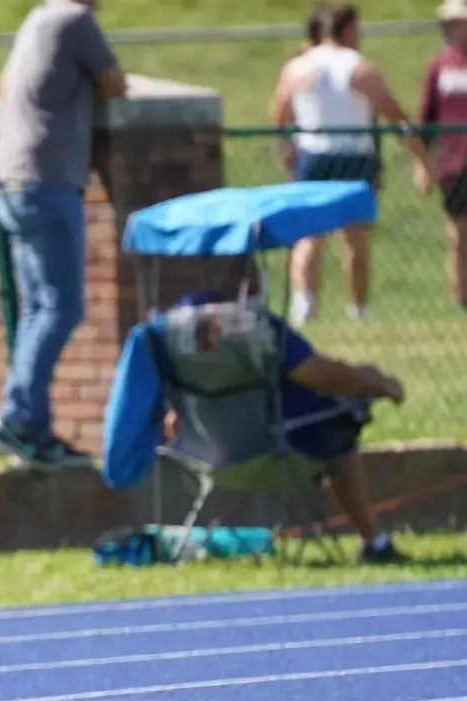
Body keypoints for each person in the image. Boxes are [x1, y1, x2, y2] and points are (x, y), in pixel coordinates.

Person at [166, 277, 409, 564]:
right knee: (344, 435)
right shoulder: (256, 327)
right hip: (275, 453)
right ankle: (373, 541)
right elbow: (320, 374)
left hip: (205, 455)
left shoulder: (174, 332)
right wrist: (377, 381)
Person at [0, 0, 127, 469]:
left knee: (39, 310)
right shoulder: (76, 20)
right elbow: (116, 84)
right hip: (47, 182)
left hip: (10, 180)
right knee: (63, 308)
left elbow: (6, 85)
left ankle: (34, 431)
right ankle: (19, 416)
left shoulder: (39, 17)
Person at [271, 3, 433, 324]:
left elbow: (278, 112)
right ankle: (358, 308)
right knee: (355, 238)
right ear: (347, 30)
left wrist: (287, 147)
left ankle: (305, 306)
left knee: (309, 236)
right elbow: (395, 116)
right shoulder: (360, 68)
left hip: (313, 154)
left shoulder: (298, 68)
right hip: (354, 156)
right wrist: (422, 159)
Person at [418, 0, 467, 313]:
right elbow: (427, 117)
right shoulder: (440, 65)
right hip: (454, 163)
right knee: (458, 233)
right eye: (450, 22)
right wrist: (422, 164)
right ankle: (461, 298)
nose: (454, 27)